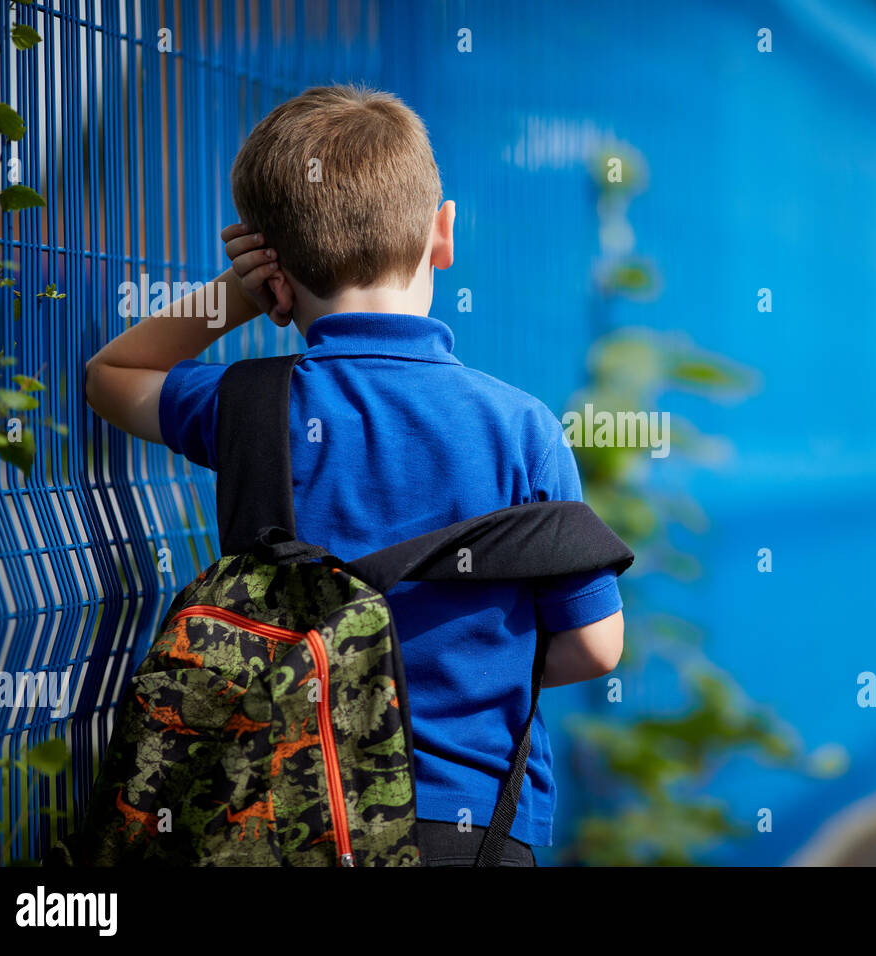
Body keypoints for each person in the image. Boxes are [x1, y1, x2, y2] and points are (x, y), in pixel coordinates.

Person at [84, 84, 625, 866]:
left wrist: (232, 301)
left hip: (284, 816)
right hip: (470, 825)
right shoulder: (522, 428)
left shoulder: (246, 408)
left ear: (274, 278)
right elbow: (597, 647)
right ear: (443, 234)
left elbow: (112, 374)